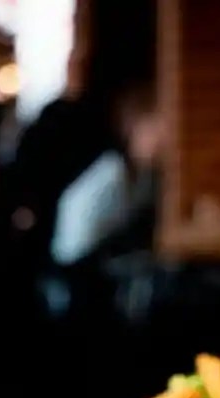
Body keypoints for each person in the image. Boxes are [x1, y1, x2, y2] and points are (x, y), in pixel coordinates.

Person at [50, 83, 162, 267]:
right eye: (155, 128)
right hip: (74, 269)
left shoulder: (145, 177)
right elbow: (77, 244)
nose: (164, 138)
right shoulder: (111, 174)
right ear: (133, 129)